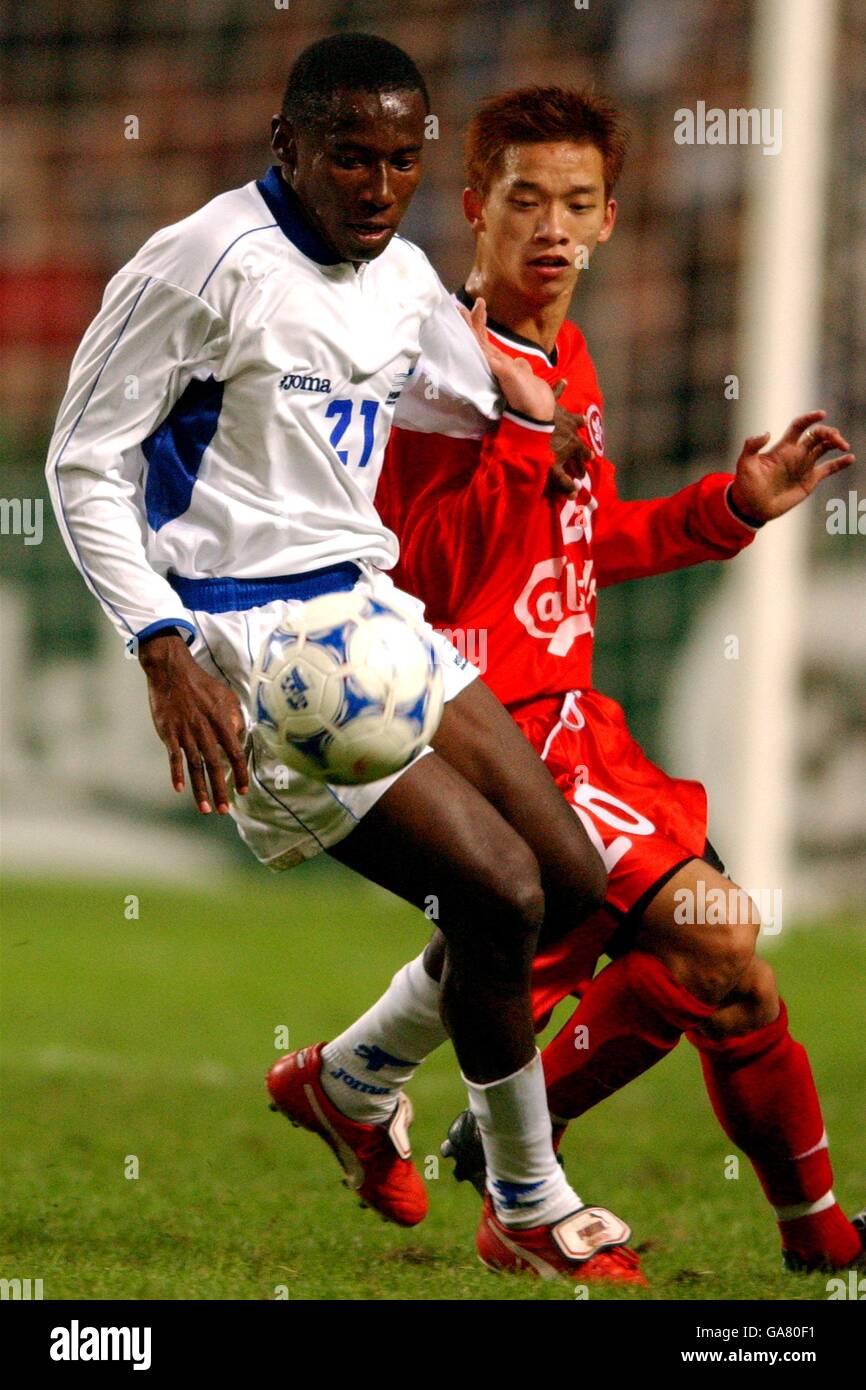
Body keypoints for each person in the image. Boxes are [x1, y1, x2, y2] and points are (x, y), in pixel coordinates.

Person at [45, 38, 642, 1286]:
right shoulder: (199, 268)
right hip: (254, 642)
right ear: (287, 149)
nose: (377, 186)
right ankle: (527, 1202)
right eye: (349, 158)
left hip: (370, 609)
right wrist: (160, 646)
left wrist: (528, 413)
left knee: (571, 884)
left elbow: (432, 385)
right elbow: (81, 463)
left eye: (399, 160)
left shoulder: (403, 270)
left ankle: (351, 1078)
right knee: (500, 899)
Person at [315, 84, 863, 1277]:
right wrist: (517, 433)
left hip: (577, 725)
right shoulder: (433, 370)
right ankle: (506, 1156)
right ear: (473, 209)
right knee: (714, 941)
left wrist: (725, 507)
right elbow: (429, 569)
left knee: (724, 979)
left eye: (576, 202)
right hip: (491, 729)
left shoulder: (563, 352)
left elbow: (578, 539)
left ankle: (815, 1236)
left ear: (609, 219)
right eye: (525, 201)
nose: (551, 228)